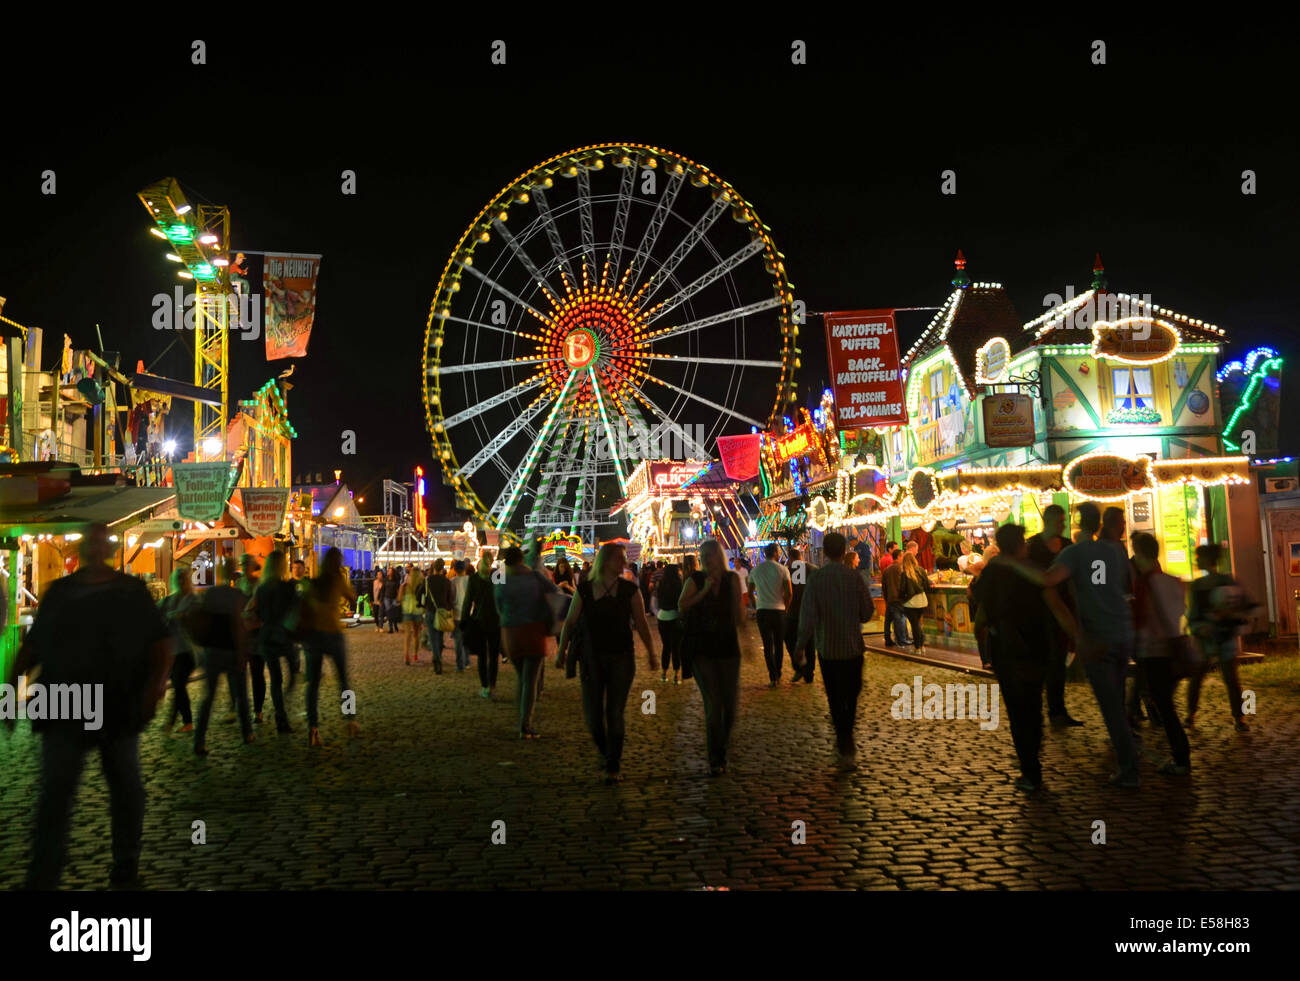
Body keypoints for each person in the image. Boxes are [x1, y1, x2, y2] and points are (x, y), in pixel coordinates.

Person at [8, 523, 171, 889]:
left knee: (127, 790)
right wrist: (9, 692)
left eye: (101, 542)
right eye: (92, 542)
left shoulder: (131, 591)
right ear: (83, 550)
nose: (97, 548)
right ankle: (44, 876)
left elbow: (161, 646)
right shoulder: (62, 593)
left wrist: (153, 689)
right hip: (64, 706)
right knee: (56, 795)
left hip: (116, 705)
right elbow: (32, 648)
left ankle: (125, 866)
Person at [1041, 504, 1141, 788]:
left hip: (1097, 636)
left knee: (1111, 706)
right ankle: (1128, 756)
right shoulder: (1115, 551)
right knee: (1117, 700)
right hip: (1123, 631)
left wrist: (1016, 566)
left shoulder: (1073, 553)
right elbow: (1129, 586)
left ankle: (1129, 767)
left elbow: (1049, 579)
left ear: (1076, 522)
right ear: (1099, 525)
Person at [558, 543, 658, 784]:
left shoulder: (630, 590)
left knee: (615, 712)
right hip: (591, 657)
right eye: (620, 559)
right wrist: (562, 650)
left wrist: (651, 652)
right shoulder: (584, 590)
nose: (624, 563)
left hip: (622, 656)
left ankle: (613, 763)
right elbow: (570, 622)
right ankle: (606, 751)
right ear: (606, 561)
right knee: (592, 716)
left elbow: (641, 623)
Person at [970, 524, 1051, 791]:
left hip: (1006, 648)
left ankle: (1030, 768)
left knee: (1018, 711)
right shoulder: (1031, 568)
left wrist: (979, 629)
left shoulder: (992, 571)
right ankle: (1032, 759)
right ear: (1021, 543)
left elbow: (983, 606)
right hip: (1035, 644)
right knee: (1033, 705)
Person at [794, 532, 873, 771]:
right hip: (852, 648)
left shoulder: (816, 580)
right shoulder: (855, 578)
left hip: (828, 649)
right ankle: (846, 739)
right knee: (851, 695)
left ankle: (844, 743)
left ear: (825, 552)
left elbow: (807, 617)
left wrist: (799, 647)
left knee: (835, 698)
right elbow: (867, 613)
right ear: (844, 551)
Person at [679, 540, 744, 776]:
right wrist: (704, 590)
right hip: (702, 648)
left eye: (710, 555)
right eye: (703, 555)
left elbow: (738, 612)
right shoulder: (694, 580)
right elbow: (682, 607)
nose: (707, 559)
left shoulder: (732, 579)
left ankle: (722, 745)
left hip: (728, 646)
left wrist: (745, 632)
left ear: (719, 556)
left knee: (730, 708)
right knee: (714, 704)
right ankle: (715, 758)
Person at [1130, 532, 1192, 774]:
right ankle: (1178, 754)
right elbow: (1181, 610)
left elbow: (1137, 620)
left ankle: (1181, 758)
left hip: (1153, 651)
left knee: (1164, 706)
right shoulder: (1173, 581)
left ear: (1140, 554)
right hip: (1173, 649)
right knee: (1164, 703)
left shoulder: (1144, 584)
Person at [191, 557, 255, 755]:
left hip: (212, 651)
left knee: (208, 698)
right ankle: (247, 733)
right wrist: (243, 651)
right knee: (242, 695)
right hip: (231, 649)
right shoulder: (237, 595)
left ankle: (199, 740)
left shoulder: (210, 593)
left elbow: (202, 620)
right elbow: (239, 625)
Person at [1026, 504, 1083, 728]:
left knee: (1058, 661)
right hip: (1038, 611)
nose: (1064, 525)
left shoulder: (1068, 546)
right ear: (1048, 521)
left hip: (1063, 610)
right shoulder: (1033, 546)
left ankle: (1057, 710)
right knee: (1042, 661)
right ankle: (1037, 711)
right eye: (1060, 521)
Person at [1186, 544, 1251, 732]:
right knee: (1231, 679)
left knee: (1198, 677)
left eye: (1198, 557)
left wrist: (1197, 628)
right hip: (1224, 636)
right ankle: (1239, 718)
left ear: (1206, 560)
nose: (1196, 560)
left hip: (1206, 637)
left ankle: (1190, 715)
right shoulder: (1229, 581)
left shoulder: (1198, 585)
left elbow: (1194, 614)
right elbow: (1244, 605)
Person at [495, 545, 557, 739]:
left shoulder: (501, 578)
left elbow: (498, 606)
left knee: (522, 677)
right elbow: (554, 591)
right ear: (522, 559)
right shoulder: (535, 576)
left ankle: (521, 716)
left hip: (510, 633)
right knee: (530, 681)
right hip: (534, 630)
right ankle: (525, 723)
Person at [301, 547, 358, 747]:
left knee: (313, 685)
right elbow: (352, 598)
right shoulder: (337, 580)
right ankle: (350, 719)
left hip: (314, 637)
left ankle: (313, 728)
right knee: (344, 681)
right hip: (333, 634)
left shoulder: (314, 583)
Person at [252, 550, 300, 733]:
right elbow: (295, 611)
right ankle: (282, 708)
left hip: (266, 635)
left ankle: (280, 713)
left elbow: (257, 612)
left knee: (275, 678)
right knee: (293, 673)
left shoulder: (261, 589)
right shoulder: (287, 587)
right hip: (283, 634)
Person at [158, 568, 197, 733]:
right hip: (172, 651)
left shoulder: (193, 600)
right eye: (179, 579)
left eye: (184, 579)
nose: (181, 582)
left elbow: (190, 615)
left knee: (179, 684)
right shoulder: (169, 600)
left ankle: (185, 721)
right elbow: (156, 613)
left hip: (188, 651)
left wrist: (175, 615)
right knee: (177, 685)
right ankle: (174, 722)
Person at [750, 542, 793, 687]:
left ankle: (772, 676)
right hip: (779, 610)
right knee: (779, 644)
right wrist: (786, 607)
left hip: (763, 610)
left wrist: (756, 605)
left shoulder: (756, 570)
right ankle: (779, 672)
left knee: (767, 645)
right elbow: (789, 592)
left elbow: (750, 591)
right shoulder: (782, 570)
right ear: (775, 553)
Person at [462, 551, 502, 698]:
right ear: (492, 561)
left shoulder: (474, 578)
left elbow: (467, 602)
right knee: (493, 655)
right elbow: (502, 597)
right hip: (496, 620)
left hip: (479, 620)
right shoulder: (498, 575)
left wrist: (464, 620)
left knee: (482, 655)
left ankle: (484, 686)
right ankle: (492, 685)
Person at [239, 554, 267, 724]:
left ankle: (258, 709)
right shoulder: (239, 584)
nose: (243, 567)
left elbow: (259, 606)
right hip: (242, 633)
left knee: (257, 673)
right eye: (242, 564)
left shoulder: (259, 585)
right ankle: (240, 708)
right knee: (240, 673)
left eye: (245, 564)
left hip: (256, 632)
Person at [785, 548, 816, 683]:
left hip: (793, 612)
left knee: (790, 640)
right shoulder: (813, 569)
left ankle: (799, 666)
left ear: (791, 558)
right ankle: (809, 672)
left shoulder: (788, 570)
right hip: (810, 612)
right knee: (810, 643)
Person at [897, 552, 932, 655]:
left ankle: (918, 647)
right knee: (918, 624)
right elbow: (927, 585)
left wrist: (901, 598)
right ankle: (921, 646)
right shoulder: (921, 570)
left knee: (915, 624)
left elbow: (903, 589)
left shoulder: (905, 573)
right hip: (922, 600)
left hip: (910, 603)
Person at [422, 558, 453, 674]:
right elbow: (450, 599)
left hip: (430, 610)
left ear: (434, 567)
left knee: (432, 636)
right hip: (443, 611)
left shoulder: (427, 580)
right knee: (440, 637)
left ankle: (436, 658)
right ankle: (438, 657)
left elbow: (421, 594)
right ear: (443, 568)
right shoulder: (447, 582)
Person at [656, 563, 684, 684]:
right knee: (676, 647)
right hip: (674, 616)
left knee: (666, 646)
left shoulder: (661, 584)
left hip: (662, 616)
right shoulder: (678, 585)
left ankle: (663, 673)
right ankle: (676, 675)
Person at [881, 548, 910, 649]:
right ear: (898, 557)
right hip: (898, 598)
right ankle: (901, 640)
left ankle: (888, 639)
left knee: (888, 620)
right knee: (899, 619)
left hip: (890, 598)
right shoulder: (901, 568)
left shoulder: (887, 570)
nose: (903, 558)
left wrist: (886, 597)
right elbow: (903, 584)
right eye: (902, 556)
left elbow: (883, 586)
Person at [398, 563, 425, 666]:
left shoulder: (405, 586)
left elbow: (399, 599)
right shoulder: (421, 586)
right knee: (416, 634)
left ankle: (406, 655)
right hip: (418, 611)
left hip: (407, 610)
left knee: (407, 634)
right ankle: (415, 656)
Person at [450, 560, 472, 671]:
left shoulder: (452, 582)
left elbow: (451, 598)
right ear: (465, 569)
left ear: (455, 570)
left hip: (456, 614)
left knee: (458, 641)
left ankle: (460, 664)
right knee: (467, 639)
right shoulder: (470, 580)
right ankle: (467, 661)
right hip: (468, 613)